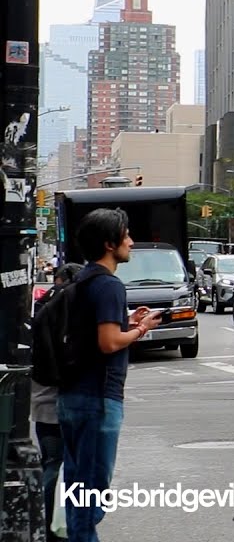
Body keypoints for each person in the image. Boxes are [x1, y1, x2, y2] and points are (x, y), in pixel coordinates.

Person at [58, 208, 163, 542]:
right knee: (92, 489)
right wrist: (141, 329)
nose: (131, 242)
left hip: (73, 394)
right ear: (108, 243)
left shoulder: (83, 280)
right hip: (97, 397)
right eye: (126, 235)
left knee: (78, 483)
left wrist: (127, 322)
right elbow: (108, 343)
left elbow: (93, 334)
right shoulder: (109, 285)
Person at [32, 262, 82, 538]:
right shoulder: (63, 311)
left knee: (51, 464)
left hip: (43, 404)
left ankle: (47, 523)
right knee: (60, 465)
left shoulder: (45, 308)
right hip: (59, 402)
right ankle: (57, 526)